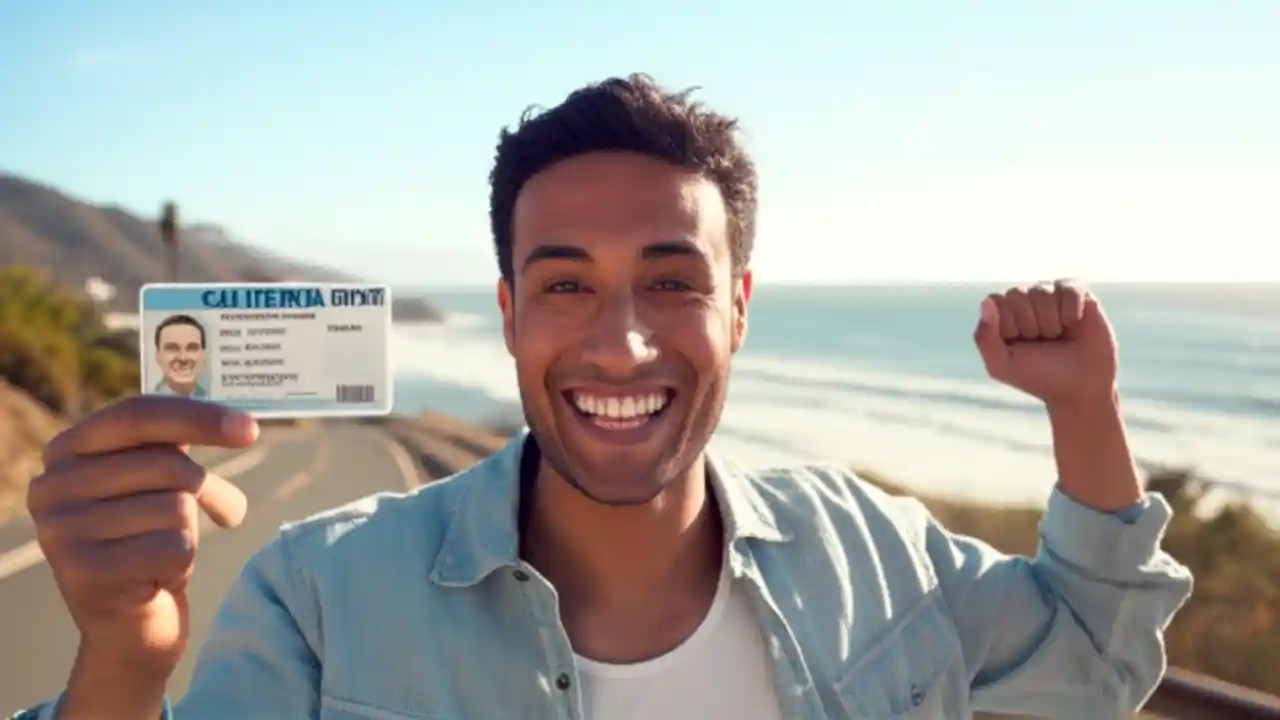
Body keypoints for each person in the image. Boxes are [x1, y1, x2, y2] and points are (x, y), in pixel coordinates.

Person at [16, 74, 1191, 720]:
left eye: (670, 282)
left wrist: (1082, 407)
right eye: (566, 283)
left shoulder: (872, 555)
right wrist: (120, 665)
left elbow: (1094, 666)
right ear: (510, 312)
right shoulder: (320, 595)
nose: (621, 345)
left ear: (738, 307)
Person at [151, 314, 208, 398]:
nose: (183, 358)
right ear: (158, 355)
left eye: (192, 348)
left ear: (203, 354)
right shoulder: (145, 408)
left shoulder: (215, 404)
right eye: (172, 348)